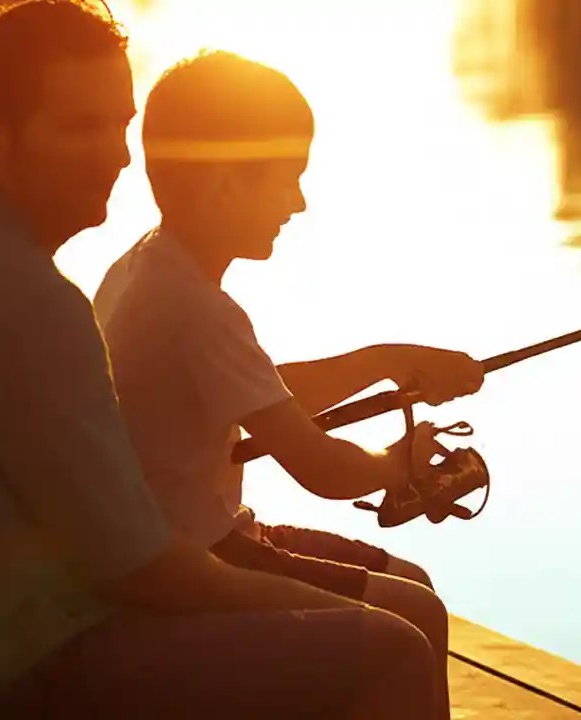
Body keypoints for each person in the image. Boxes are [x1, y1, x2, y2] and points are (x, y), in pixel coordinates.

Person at [0, 3, 437, 717]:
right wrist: (321, 606)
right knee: (395, 646)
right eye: (82, 127)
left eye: (121, 124)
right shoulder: (30, 303)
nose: (118, 157)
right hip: (16, 669)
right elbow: (145, 571)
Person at [91, 49, 484, 719]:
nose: (298, 203)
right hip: (202, 554)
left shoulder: (147, 269)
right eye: (287, 179)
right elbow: (320, 467)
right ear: (223, 185)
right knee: (414, 615)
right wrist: (400, 464)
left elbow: (260, 395)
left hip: (202, 535)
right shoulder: (198, 307)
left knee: (411, 586)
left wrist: (384, 360)